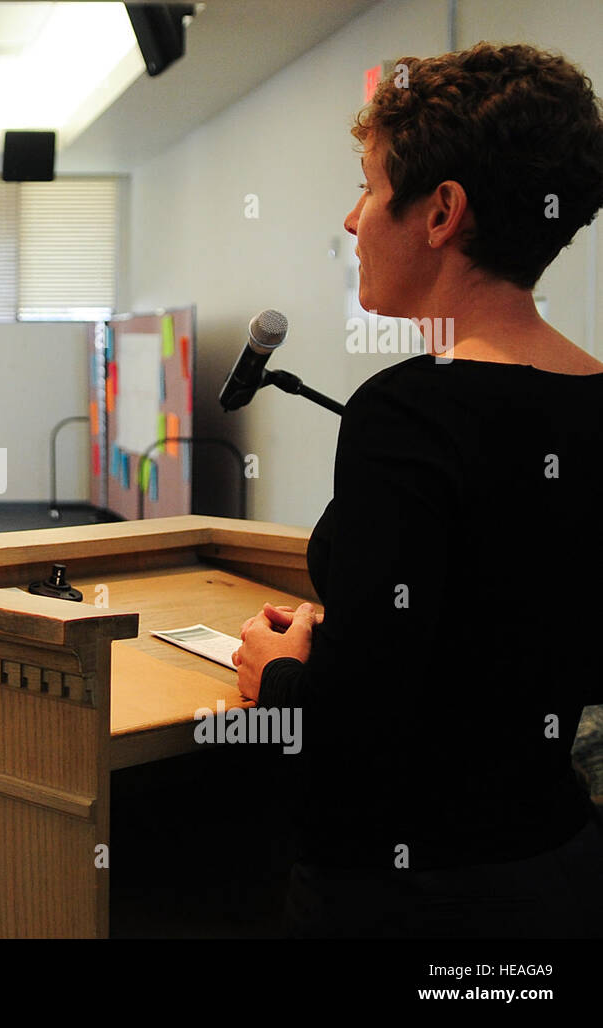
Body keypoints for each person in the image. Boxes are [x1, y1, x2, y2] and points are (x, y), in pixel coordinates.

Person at [231, 43, 603, 938]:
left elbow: (351, 741)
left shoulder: (409, 412)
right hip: (559, 869)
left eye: (368, 185)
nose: (354, 220)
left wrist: (278, 675)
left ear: (441, 212)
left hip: (412, 896)